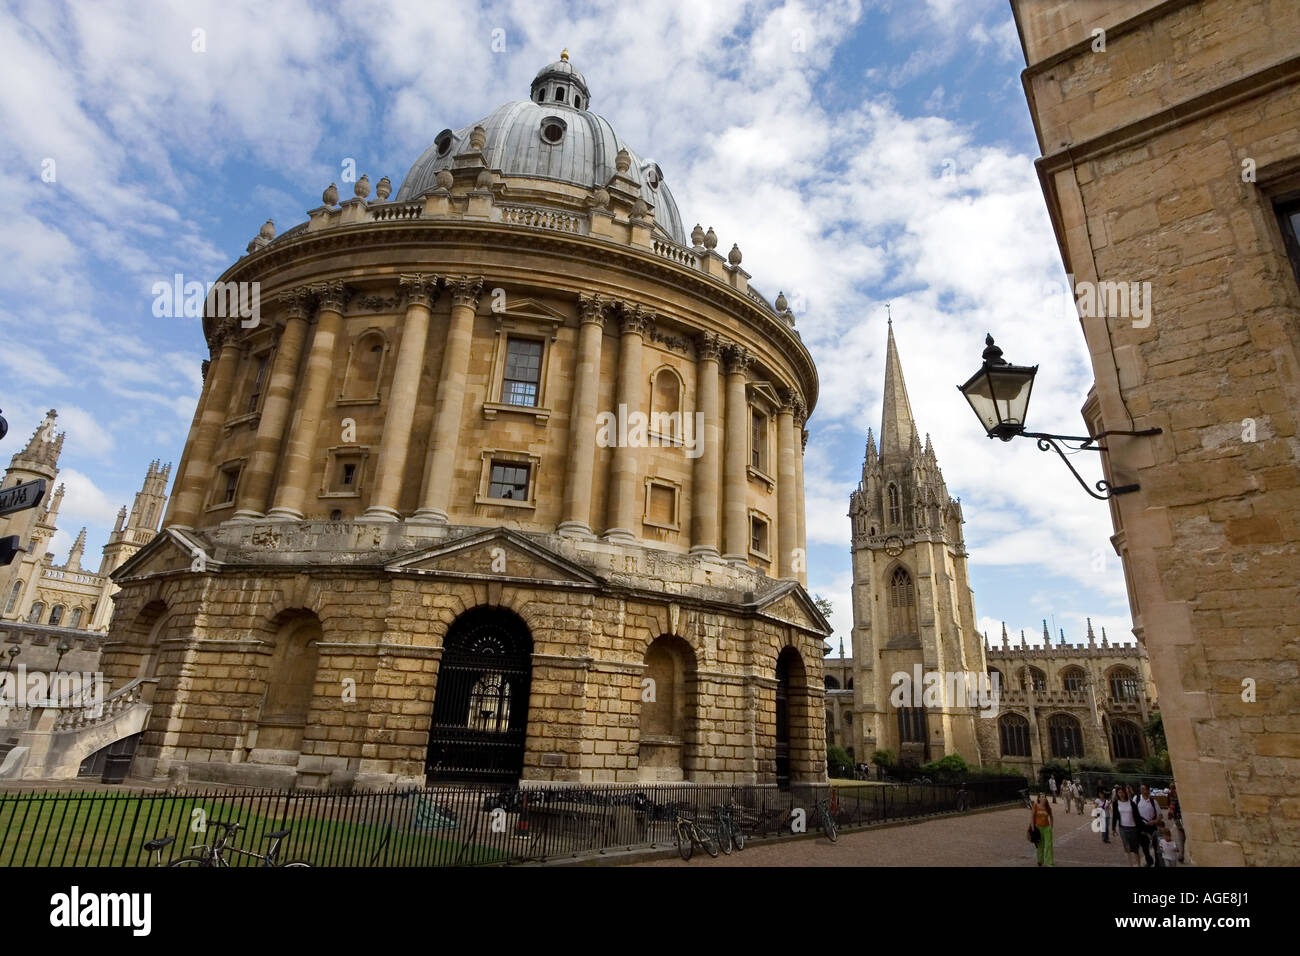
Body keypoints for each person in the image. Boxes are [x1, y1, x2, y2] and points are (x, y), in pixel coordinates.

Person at [1111, 784, 1142, 866]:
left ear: (1125, 793)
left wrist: (1141, 828)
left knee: (1135, 848)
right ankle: (1130, 864)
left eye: (1122, 792)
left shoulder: (1131, 803)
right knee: (1127, 848)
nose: (1121, 794)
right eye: (1119, 793)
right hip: (1123, 828)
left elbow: (1137, 816)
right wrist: (1113, 828)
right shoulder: (1115, 803)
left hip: (1133, 827)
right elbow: (1114, 816)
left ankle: (1138, 864)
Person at [1135, 783, 1161, 867]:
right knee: (1144, 846)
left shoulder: (1153, 801)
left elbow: (1160, 815)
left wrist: (1154, 821)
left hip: (1152, 826)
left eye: (1144, 789)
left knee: (1156, 845)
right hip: (1141, 826)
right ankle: (1149, 861)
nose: (1142, 791)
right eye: (1141, 789)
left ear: (1148, 790)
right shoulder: (1136, 799)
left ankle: (1158, 862)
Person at [1031, 792, 1054, 866]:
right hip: (1038, 828)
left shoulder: (1047, 807)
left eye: (1044, 797)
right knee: (1040, 846)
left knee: (1048, 846)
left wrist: (1051, 826)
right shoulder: (1035, 806)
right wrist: (1032, 827)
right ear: (1039, 798)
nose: (1043, 798)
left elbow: (1051, 817)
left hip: (1047, 828)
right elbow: (1032, 817)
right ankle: (1040, 860)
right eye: (1041, 797)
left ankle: (1050, 863)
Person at [1167, 783, 1185, 863]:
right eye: (1171, 788)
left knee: (1182, 838)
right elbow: (1171, 807)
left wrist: (1171, 813)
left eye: (1173, 788)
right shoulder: (1173, 796)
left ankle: (1181, 855)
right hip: (1179, 819)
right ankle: (1181, 855)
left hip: (1180, 819)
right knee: (1181, 838)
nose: (1172, 790)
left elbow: (1171, 807)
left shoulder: (1177, 796)